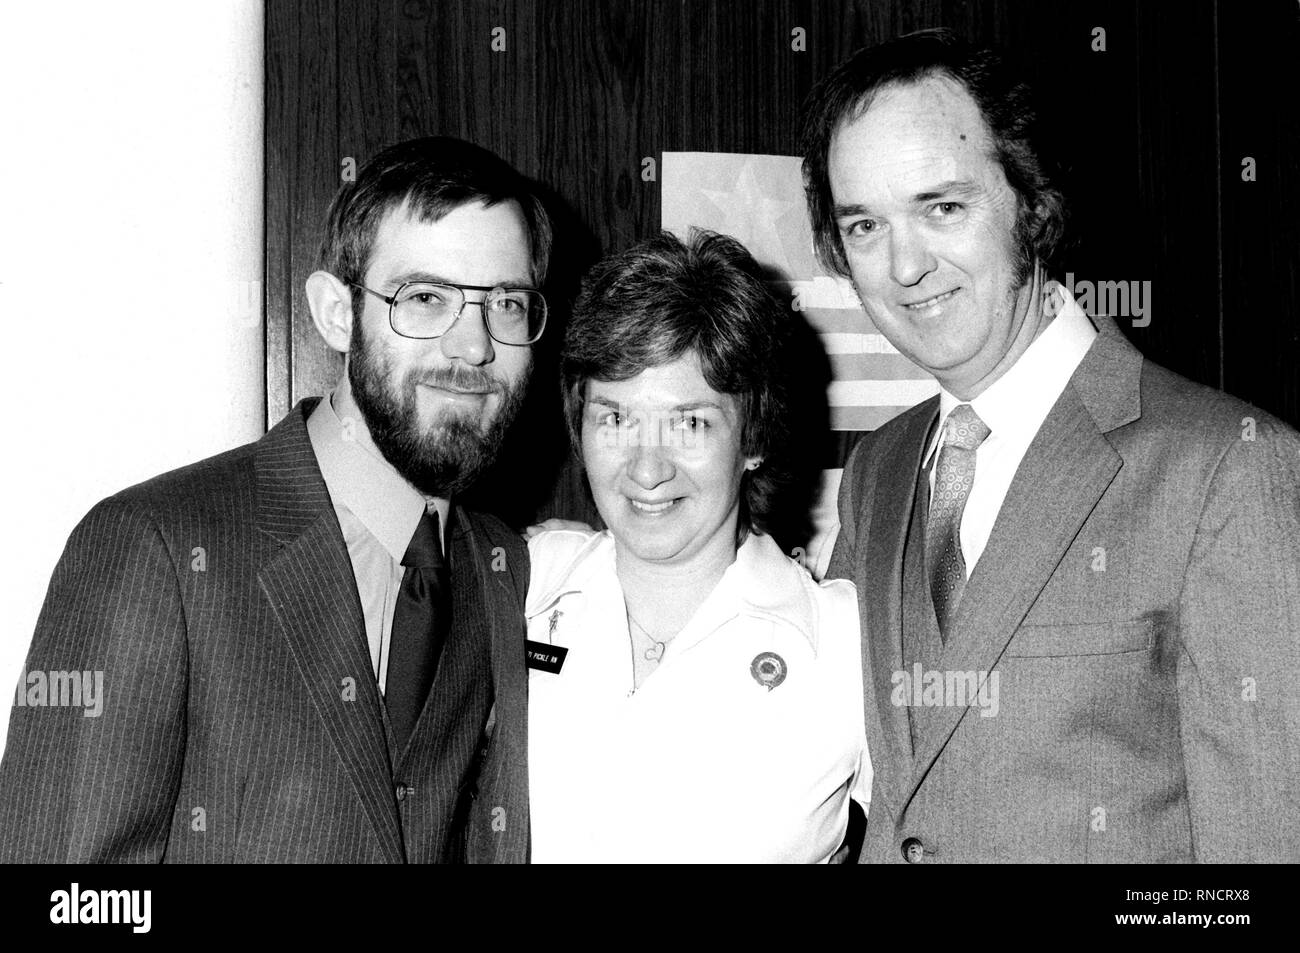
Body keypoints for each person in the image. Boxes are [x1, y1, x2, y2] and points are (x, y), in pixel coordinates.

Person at [802, 28, 1300, 863]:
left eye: (943, 208)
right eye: (863, 226)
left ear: (1032, 202)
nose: (904, 265)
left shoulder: (1230, 467)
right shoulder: (878, 471)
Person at [0, 137, 547, 863]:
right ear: (335, 314)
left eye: (505, 303)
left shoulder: (501, 565)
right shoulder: (152, 547)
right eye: (425, 297)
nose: (474, 345)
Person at [525, 229, 868, 863]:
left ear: (754, 438)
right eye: (617, 418)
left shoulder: (844, 643)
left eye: (690, 422)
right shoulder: (522, 583)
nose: (647, 468)